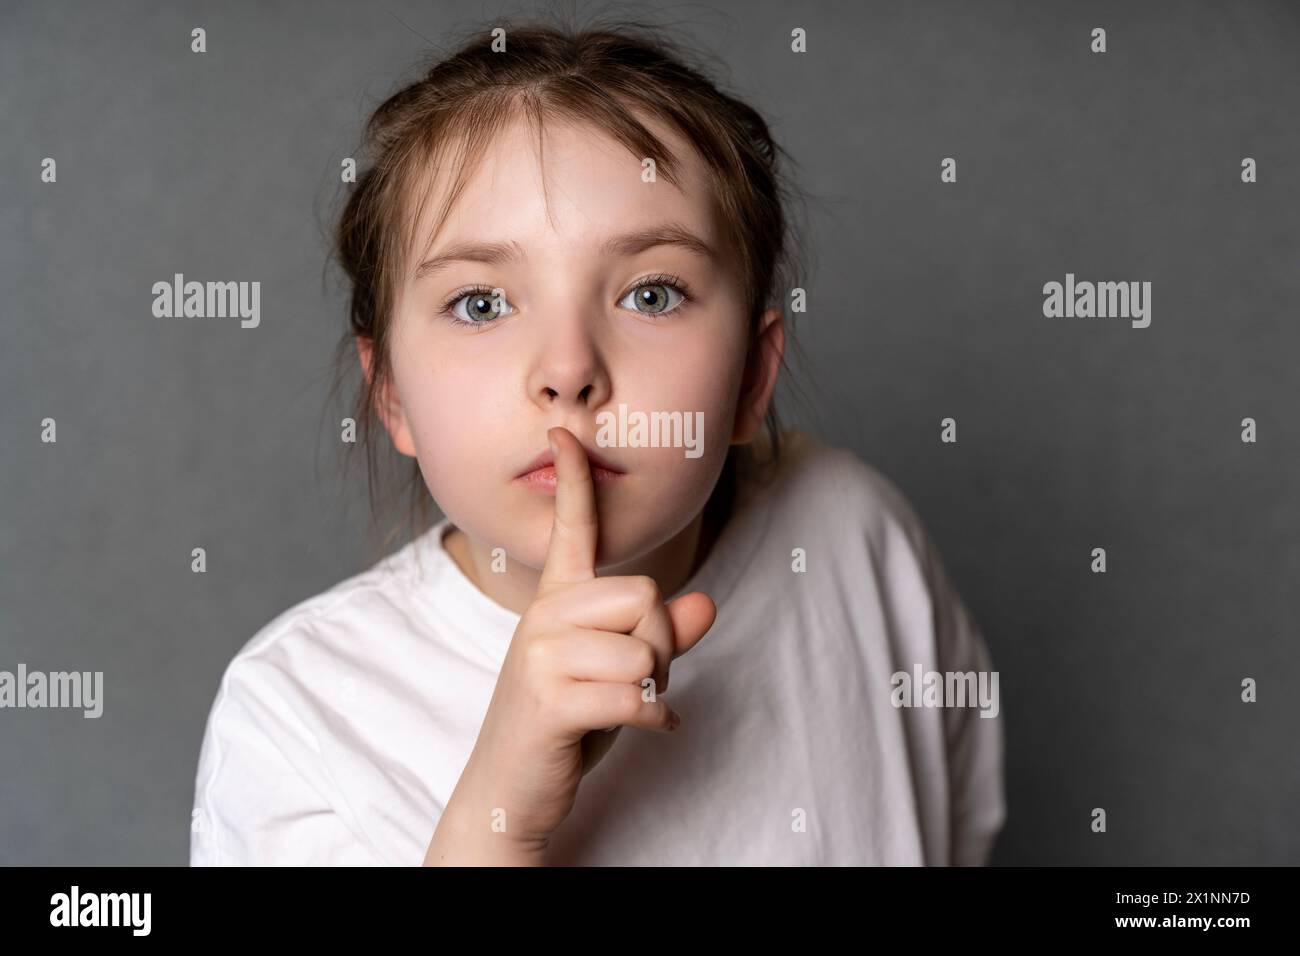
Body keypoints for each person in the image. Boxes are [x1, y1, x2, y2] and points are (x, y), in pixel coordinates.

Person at [190, 18, 1004, 866]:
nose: (568, 371)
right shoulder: (296, 720)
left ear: (751, 383)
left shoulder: (854, 534)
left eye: (652, 295)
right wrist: (497, 814)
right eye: (480, 304)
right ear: (391, 395)